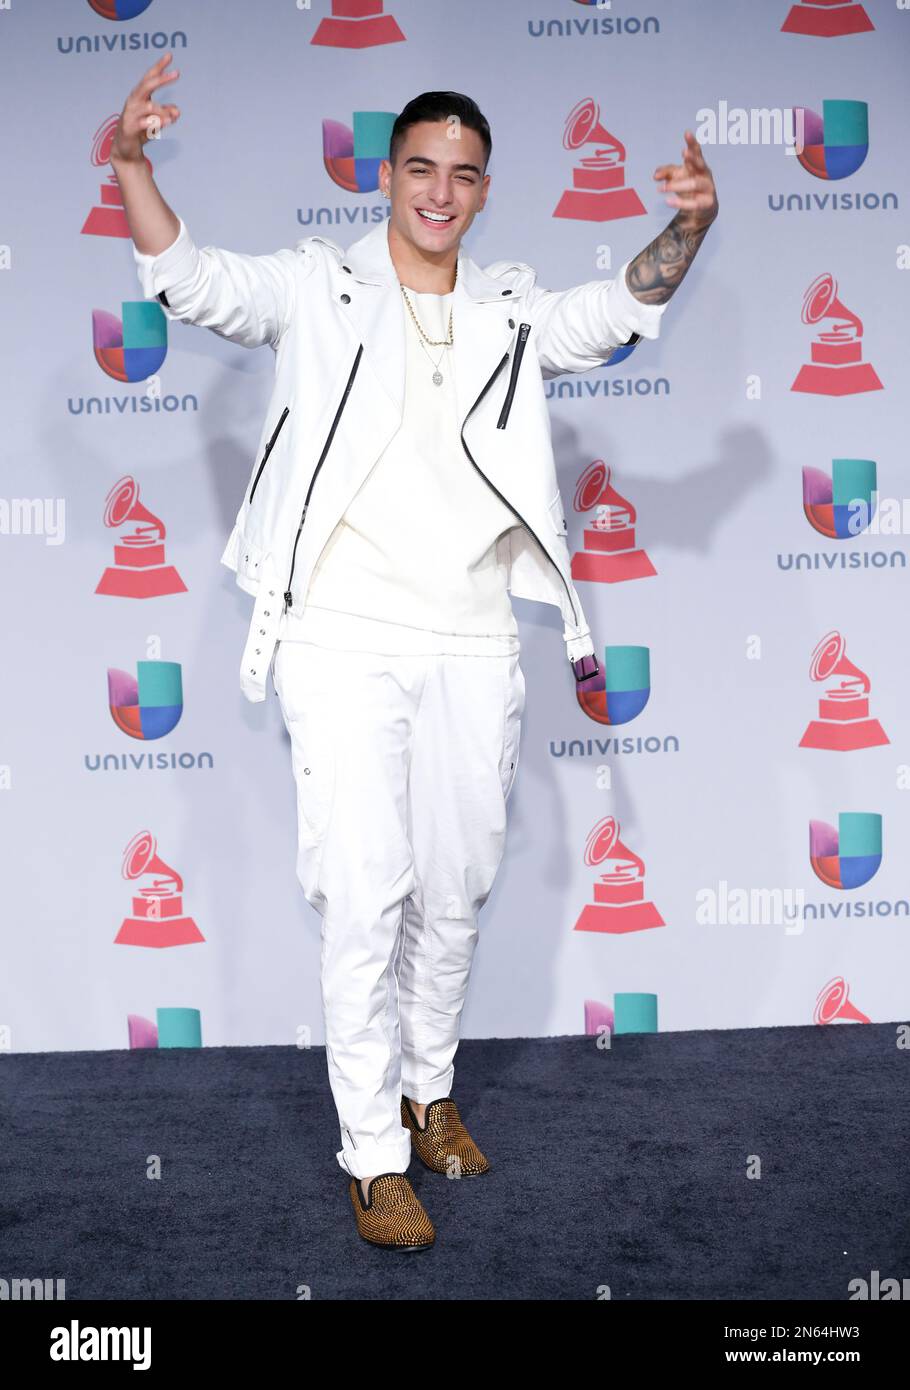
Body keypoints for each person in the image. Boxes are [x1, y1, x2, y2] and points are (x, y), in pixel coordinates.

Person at [111, 55, 718, 1252]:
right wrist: (131, 162)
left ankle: (425, 1091)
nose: (440, 191)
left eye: (464, 175)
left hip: (475, 637)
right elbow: (188, 279)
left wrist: (685, 226)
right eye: (421, 168)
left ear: (485, 191)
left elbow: (613, 313)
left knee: (454, 889)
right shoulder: (312, 287)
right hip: (338, 638)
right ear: (386, 175)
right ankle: (374, 1157)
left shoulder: (507, 306)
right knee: (364, 894)